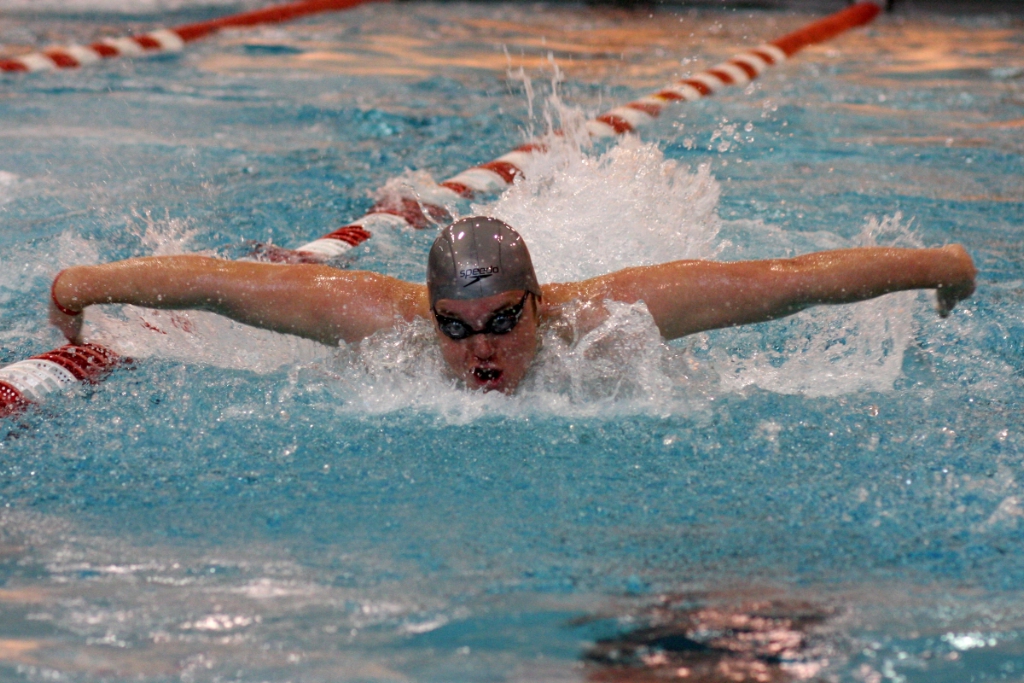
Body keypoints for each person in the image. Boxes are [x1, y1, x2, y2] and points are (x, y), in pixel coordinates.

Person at [49, 216, 977, 394]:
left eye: (502, 323)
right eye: (454, 329)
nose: (479, 353)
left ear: (538, 305)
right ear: (429, 314)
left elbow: (789, 282)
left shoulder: (613, 318)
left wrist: (939, 262)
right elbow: (225, 283)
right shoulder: (382, 320)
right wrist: (85, 286)